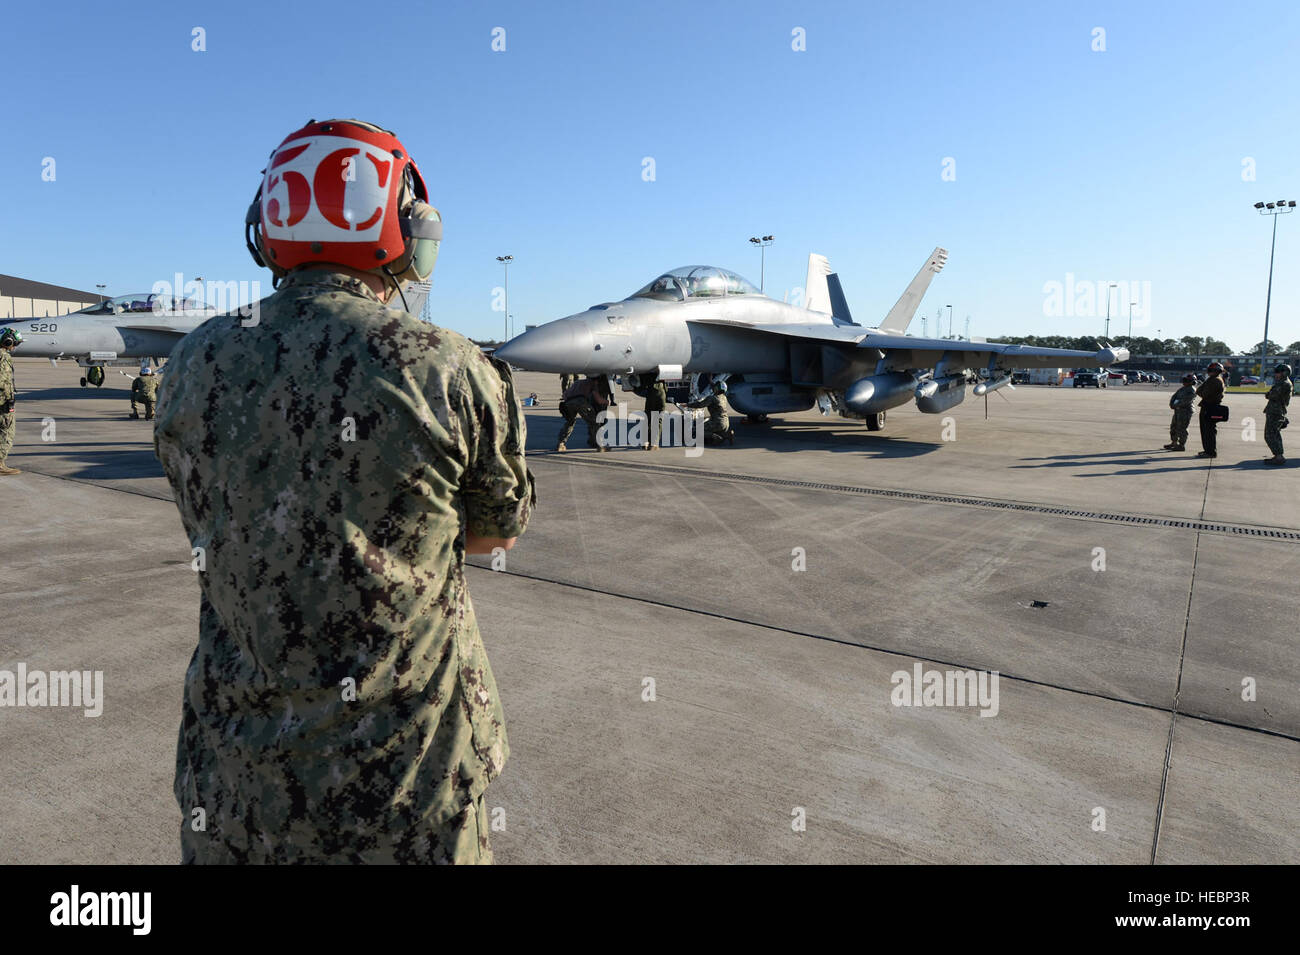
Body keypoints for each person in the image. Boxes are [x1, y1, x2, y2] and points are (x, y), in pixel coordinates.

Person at [153, 119, 534, 864]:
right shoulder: (448, 367)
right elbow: (494, 535)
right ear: (398, 225)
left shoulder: (193, 363)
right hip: (412, 785)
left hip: (238, 788)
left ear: (267, 228)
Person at [556, 374, 611, 451]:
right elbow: (598, 399)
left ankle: (560, 444)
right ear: (596, 380)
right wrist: (606, 401)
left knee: (570, 422)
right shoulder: (593, 384)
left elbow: (564, 395)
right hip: (581, 401)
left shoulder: (577, 382)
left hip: (568, 402)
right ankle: (601, 445)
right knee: (594, 423)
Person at [687, 379, 735, 445]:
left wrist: (687, 405)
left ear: (717, 389)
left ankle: (716, 437)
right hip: (726, 423)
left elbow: (700, 405)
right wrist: (710, 381)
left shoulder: (712, 398)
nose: (713, 388)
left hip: (717, 423)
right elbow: (717, 387)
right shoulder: (724, 397)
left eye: (715, 387)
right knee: (714, 429)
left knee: (698, 430)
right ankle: (728, 435)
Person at [0, 327, 21, 476]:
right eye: (14, 343)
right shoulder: (3, 356)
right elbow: (2, 380)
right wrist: (9, 398)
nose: (14, 347)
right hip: (2, 402)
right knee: (7, 431)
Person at [1195, 361, 1226, 459]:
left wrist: (1202, 391)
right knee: (1205, 430)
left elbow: (1203, 393)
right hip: (1208, 406)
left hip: (1210, 407)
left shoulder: (1215, 380)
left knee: (1209, 431)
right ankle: (1207, 450)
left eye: (1210, 370)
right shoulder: (1212, 379)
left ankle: (1210, 451)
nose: (1209, 372)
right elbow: (1199, 390)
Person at [1263, 363, 1292, 465]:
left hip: (1276, 412)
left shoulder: (1284, 384)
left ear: (1284, 373)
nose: (1276, 374)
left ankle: (1279, 456)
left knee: (1271, 435)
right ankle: (1278, 455)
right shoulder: (1281, 382)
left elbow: (1272, 395)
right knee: (1273, 434)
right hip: (1274, 411)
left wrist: (1269, 394)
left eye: (1278, 372)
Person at [1163, 374, 1196, 451]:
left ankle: (1181, 445)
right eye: (1184, 380)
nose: (1184, 382)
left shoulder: (1192, 390)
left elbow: (1187, 400)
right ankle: (1174, 442)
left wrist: (1176, 405)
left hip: (1185, 411)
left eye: (1186, 381)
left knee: (1182, 428)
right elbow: (1174, 396)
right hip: (1178, 410)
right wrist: (1171, 404)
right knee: (1174, 426)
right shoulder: (1182, 388)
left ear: (1192, 382)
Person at [642, 376, 668, 450]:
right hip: (661, 394)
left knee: (648, 419)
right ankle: (654, 443)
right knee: (658, 420)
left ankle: (645, 442)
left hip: (650, 394)